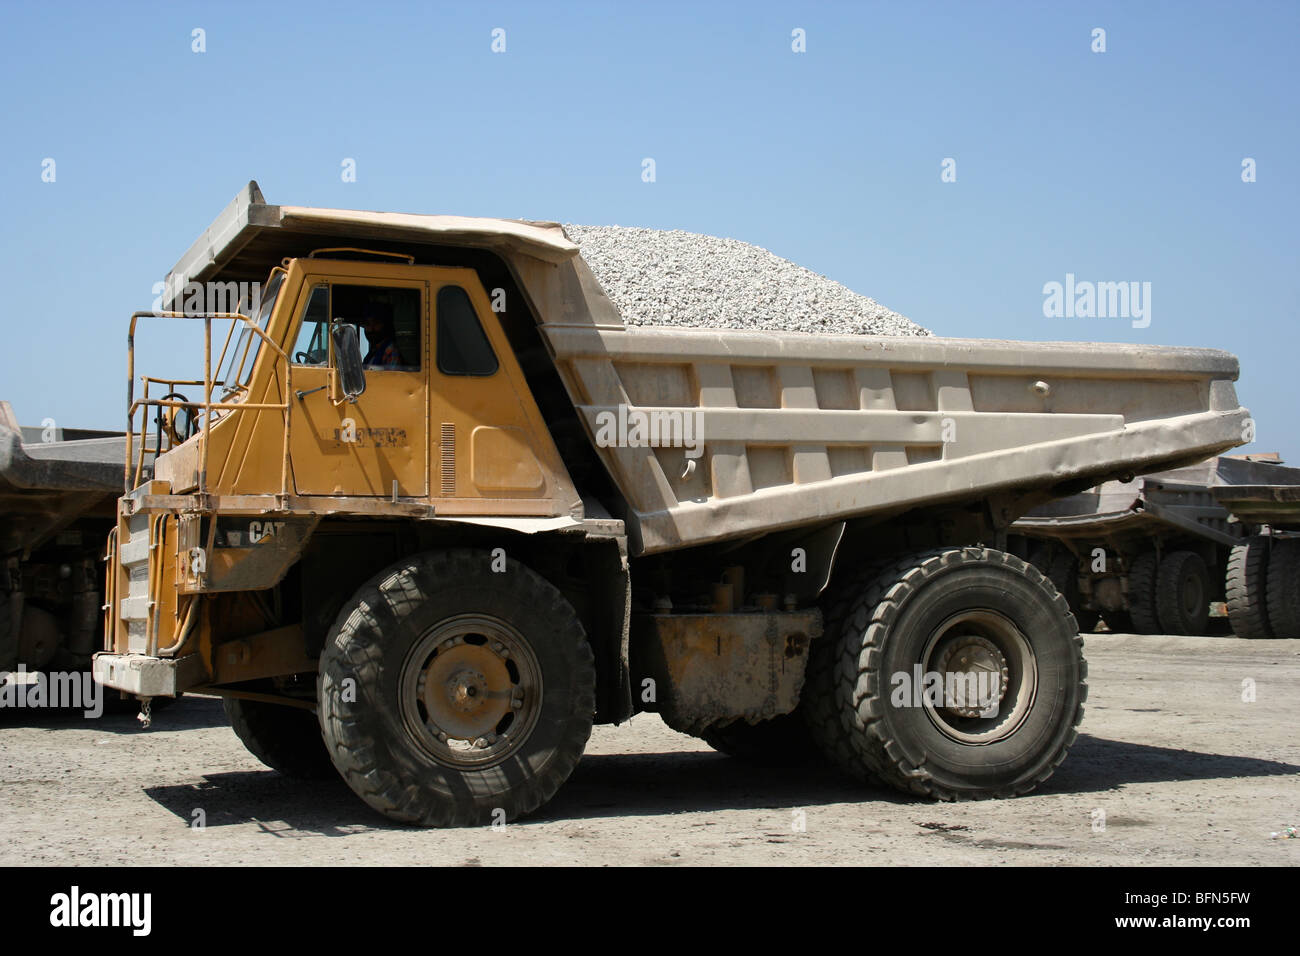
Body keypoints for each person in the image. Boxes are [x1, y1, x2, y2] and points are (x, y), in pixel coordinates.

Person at [361, 303, 402, 369]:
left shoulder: (390, 351)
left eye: (376, 323)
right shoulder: (371, 354)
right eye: (367, 324)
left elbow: (393, 378)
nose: (371, 329)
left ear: (385, 325)